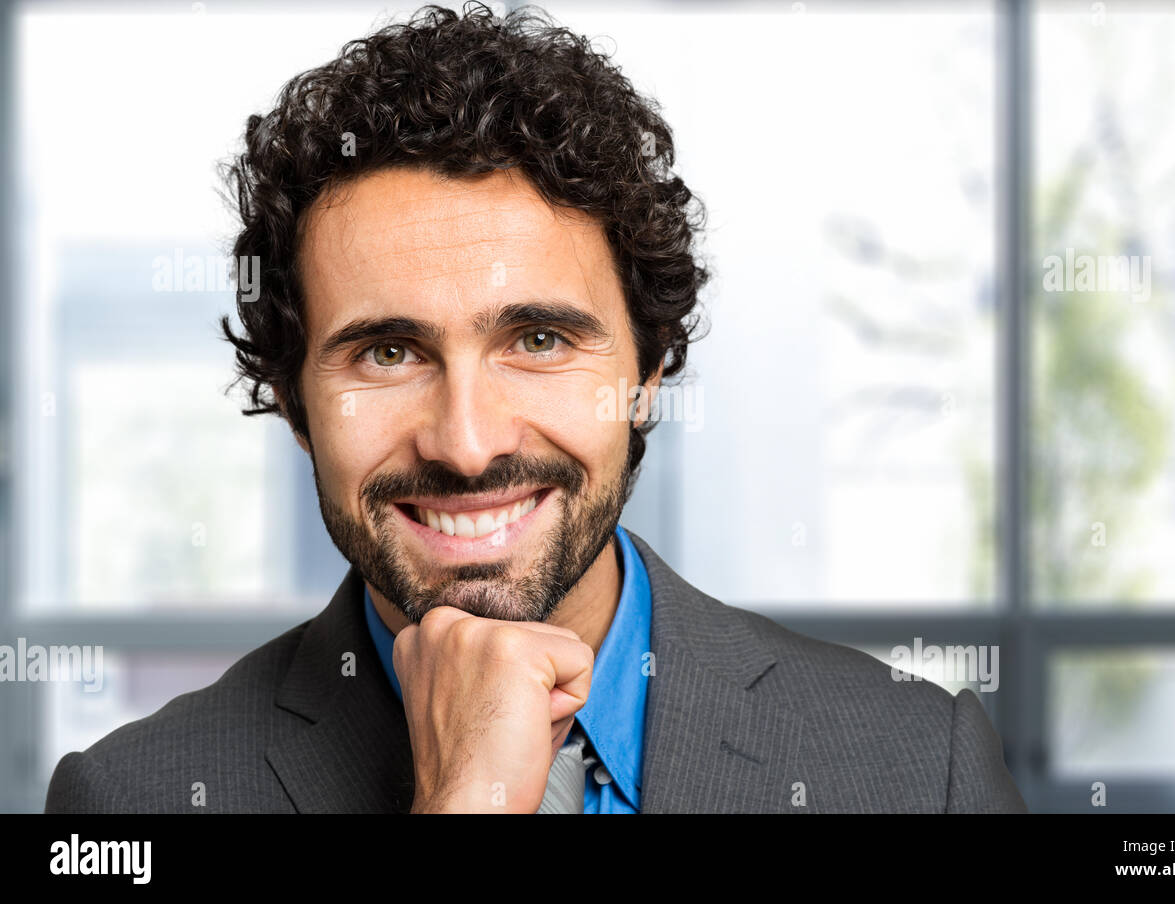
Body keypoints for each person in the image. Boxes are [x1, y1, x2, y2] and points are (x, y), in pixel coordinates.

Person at [45, 3, 1026, 814]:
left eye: (540, 340)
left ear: (647, 370)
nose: (467, 445)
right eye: (388, 352)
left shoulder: (914, 768)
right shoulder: (135, 802)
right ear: (292, 400)